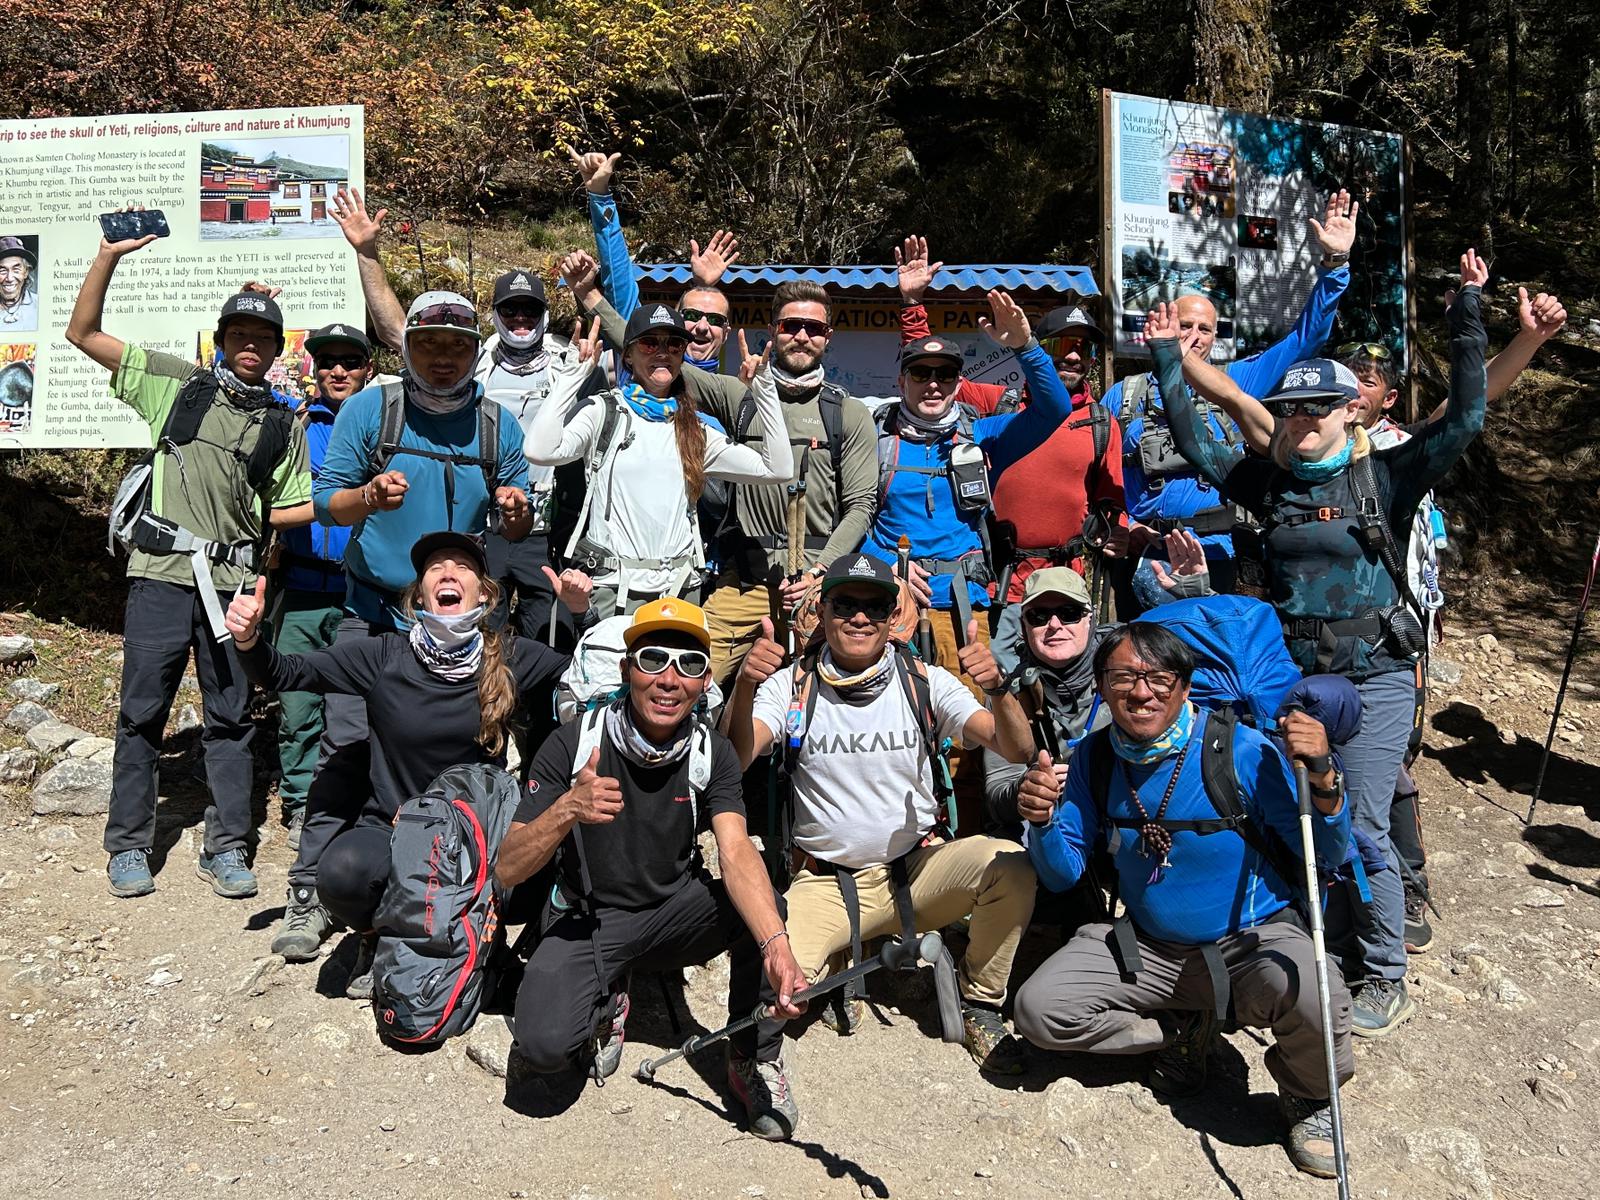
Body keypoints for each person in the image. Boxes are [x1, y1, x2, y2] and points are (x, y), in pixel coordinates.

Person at [1144, 247, 1491, 1038]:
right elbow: (1200, 444)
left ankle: (1385, 971)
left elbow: (1467, 418)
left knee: (1362, 823)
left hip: (1376, 676)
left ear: (1351, 412)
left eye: (1321, 409)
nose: (1304, 421)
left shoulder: (1389, 476)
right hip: (1292, 679)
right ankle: (1319, 939)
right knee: (1288, 808)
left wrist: (1467, 315)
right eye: (1292, 411)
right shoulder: (1269, 482)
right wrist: (1169, 359)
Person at [1012, 623, 1354, 1178]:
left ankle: (1308, 1096)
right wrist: (1044, 821)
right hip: (1149, 947)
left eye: (1158, 678)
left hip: (1252, 943)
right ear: (1101, 686)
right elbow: (1060, 874)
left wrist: (1323, 777)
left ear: (1187, 686)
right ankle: (1180, 1034)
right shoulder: (1095, 760)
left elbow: (1326, 853)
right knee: (1040, 1010)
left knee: (1315, 993)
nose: (1141, 692)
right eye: (1123, 677)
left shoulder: (1242, 750)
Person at [271, 289, 537, 962]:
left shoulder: (496, 425)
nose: (443, 361)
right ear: (406, 348)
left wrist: (514, 514)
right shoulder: (372, 409)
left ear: (476, 354)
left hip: (459, 623)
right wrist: (367, 497)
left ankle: (428, 891)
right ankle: (312, 890)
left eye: (458, 348)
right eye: (429, 347)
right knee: (347, 745)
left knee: (456, 758)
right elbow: (326, 503)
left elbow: (522, 515)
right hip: (374, 613)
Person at [64, 210, 313, 902]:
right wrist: (108, 254)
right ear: (221, 340)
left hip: (233, 586)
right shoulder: (177, 386)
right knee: (143, 710)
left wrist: (351, 502)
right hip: (162, 577)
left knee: (231, 717)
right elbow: (81, 335)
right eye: (240, 334)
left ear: (276, 346)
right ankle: (127, 845)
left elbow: (287, 508)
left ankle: (228, 845)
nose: (251, 347)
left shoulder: (281, 424)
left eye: (263, 337)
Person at [497, 597, 808, 1140]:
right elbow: (508, 868)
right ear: (626, 670)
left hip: (673, 914)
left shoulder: (711, 750)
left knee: (765, 910)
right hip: (588, 920)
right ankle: (610, 989)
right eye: (653, 660)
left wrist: (776, 949)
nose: (669, 679)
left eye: (688, 665)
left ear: (704, 681)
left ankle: (751, 1056)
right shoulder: (574, 743)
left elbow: (735, 851)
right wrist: (568, 808)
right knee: (544, 1046)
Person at [227, 531, 586, 993]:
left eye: (462, 566)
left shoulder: (510, 657)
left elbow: (586, 672)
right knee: (342, 873)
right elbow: (287, 672)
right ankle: (378, 937)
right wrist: (249, 638)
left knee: (534, 879)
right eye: (435, 567)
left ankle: (462, 936)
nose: (448, 573)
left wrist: (579, 611)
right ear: (419, 595)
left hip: (471, 840)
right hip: (392, 831)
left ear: (485, 592)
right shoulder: (382, 656)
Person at [724, 552, 1040, 1075]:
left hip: (915, 872)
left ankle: (979, 998)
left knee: (1011, 867)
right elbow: (735, 758)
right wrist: (744, 686)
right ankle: (850, 947)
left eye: (875, 606)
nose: (859, 617)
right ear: (822, 611)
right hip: (825, 881)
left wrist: (1000, 690)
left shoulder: (924, 681)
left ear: (894, 618)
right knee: (777, 992)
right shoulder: (792, 685)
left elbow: (1017, 748)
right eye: (845, 604)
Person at [863, 289, 1074, 817]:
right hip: (895, 613)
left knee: (969, 732)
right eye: (920, 374)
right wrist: (885, 571)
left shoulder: (983, 436)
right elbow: (857, 518)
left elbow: (1054, 407)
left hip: (966, 613)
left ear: (959, 383)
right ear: (901, 381)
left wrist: (1026, 347)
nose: (932, 384)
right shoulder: (874, 441)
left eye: (944, 375)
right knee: (895, 728)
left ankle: (969, 837)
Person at [1109, 191, 1357, 603]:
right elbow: (1098, 475)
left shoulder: (1240, 380)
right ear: (1164, 324)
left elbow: (1306, 336)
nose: (1193, 337)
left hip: (1223, 551)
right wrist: (1123, 524)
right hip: (1145, 554)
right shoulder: (1124, 395)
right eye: (1184, 325)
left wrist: (1335, 265)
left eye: (1205, 329)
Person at [893, 236, 1127, 604]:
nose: (1072, 358)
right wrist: (912, 304)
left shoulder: (1101, 423)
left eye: (1085, 349)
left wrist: (1120, 530)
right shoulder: (999, 405)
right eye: (1061, 346)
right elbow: (930, 372)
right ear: (1040, 349)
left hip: (1070, 576)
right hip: (1002, 578)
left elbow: (1112, 499)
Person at [527, 303, 794, 615]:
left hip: (680, 593)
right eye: (650, 343)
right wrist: (571, 378)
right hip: (614, 591)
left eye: (675, 344)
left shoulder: (695, 429)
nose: (663, 352)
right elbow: (540, 451)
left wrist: (764, 392)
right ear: (627, 355)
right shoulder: (603, 412)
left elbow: (778, 468)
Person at [269, 322, 375, 849]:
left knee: (355, 710)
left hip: (363, 594)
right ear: (312, 368)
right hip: (304, 586)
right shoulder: (293, 424)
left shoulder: (382, 426)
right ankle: (299, 804)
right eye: (327, 361)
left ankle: (348, 802)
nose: (338, 370)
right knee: (298, 707)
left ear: (368, 370)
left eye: (350, 362)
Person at [570, 147, 738, 371]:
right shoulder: (642, 363)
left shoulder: (733, 396)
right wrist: (600, 197)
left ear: (727, 333)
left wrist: (702, 288)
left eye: (716, 320)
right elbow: (619, 279)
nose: (702, 327)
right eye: (691, 316)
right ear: (674, 324)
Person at [983, 567, 1109, 841]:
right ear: (1024, 627)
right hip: (1046, 831)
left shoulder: (1121, 676)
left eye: (1069, 613)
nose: (1054, 624)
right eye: (1039, 616)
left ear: (1090, 619)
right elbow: (996, 797)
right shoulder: (1007, 694)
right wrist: (1028, 789)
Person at [0, 236, 38, 331]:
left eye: (16, 270)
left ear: (26, 272)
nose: (9, 278)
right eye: (2, 270)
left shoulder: (39, 305)